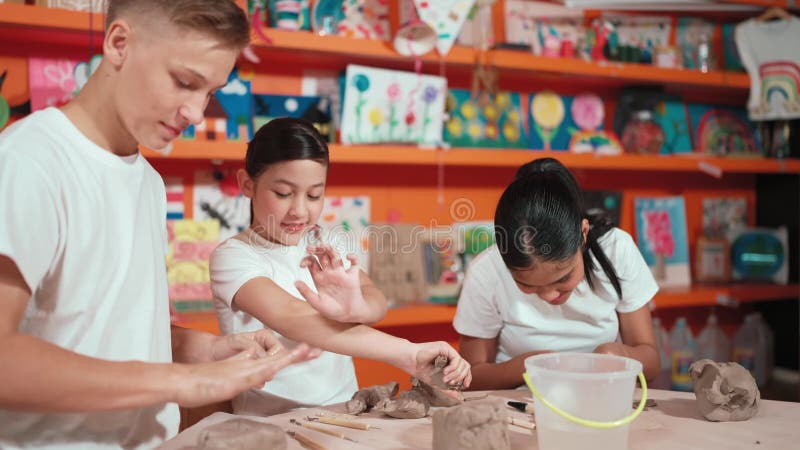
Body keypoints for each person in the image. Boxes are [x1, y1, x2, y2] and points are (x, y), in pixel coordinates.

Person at [0, 2, 315, 449]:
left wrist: (206, 353)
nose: (196, 113)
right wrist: (178, 383)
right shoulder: (28, 163)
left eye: (209, 91)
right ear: (118, 44)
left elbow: (108, 333)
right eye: (184, 82)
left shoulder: (146, 180)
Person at [210, 117, 472, 415]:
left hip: (345, 411)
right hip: (270, 423)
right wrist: (409, 354)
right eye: (283, 193)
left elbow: (375, 298)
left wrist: (358, 309)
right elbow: (294, 317)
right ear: (247, 184)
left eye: (313, 195)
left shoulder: (327, 240)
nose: (299, 210)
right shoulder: (234, 256)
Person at [454, 157, 660, 390]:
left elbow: (651, 363)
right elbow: (471, 377)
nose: (549, 296)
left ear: (583, 233)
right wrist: (529, 367)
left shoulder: (616, 250)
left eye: (562, 279)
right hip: (518, 407)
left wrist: (615, 354)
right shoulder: (486, 270)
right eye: (527, 285)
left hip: (601, 399)